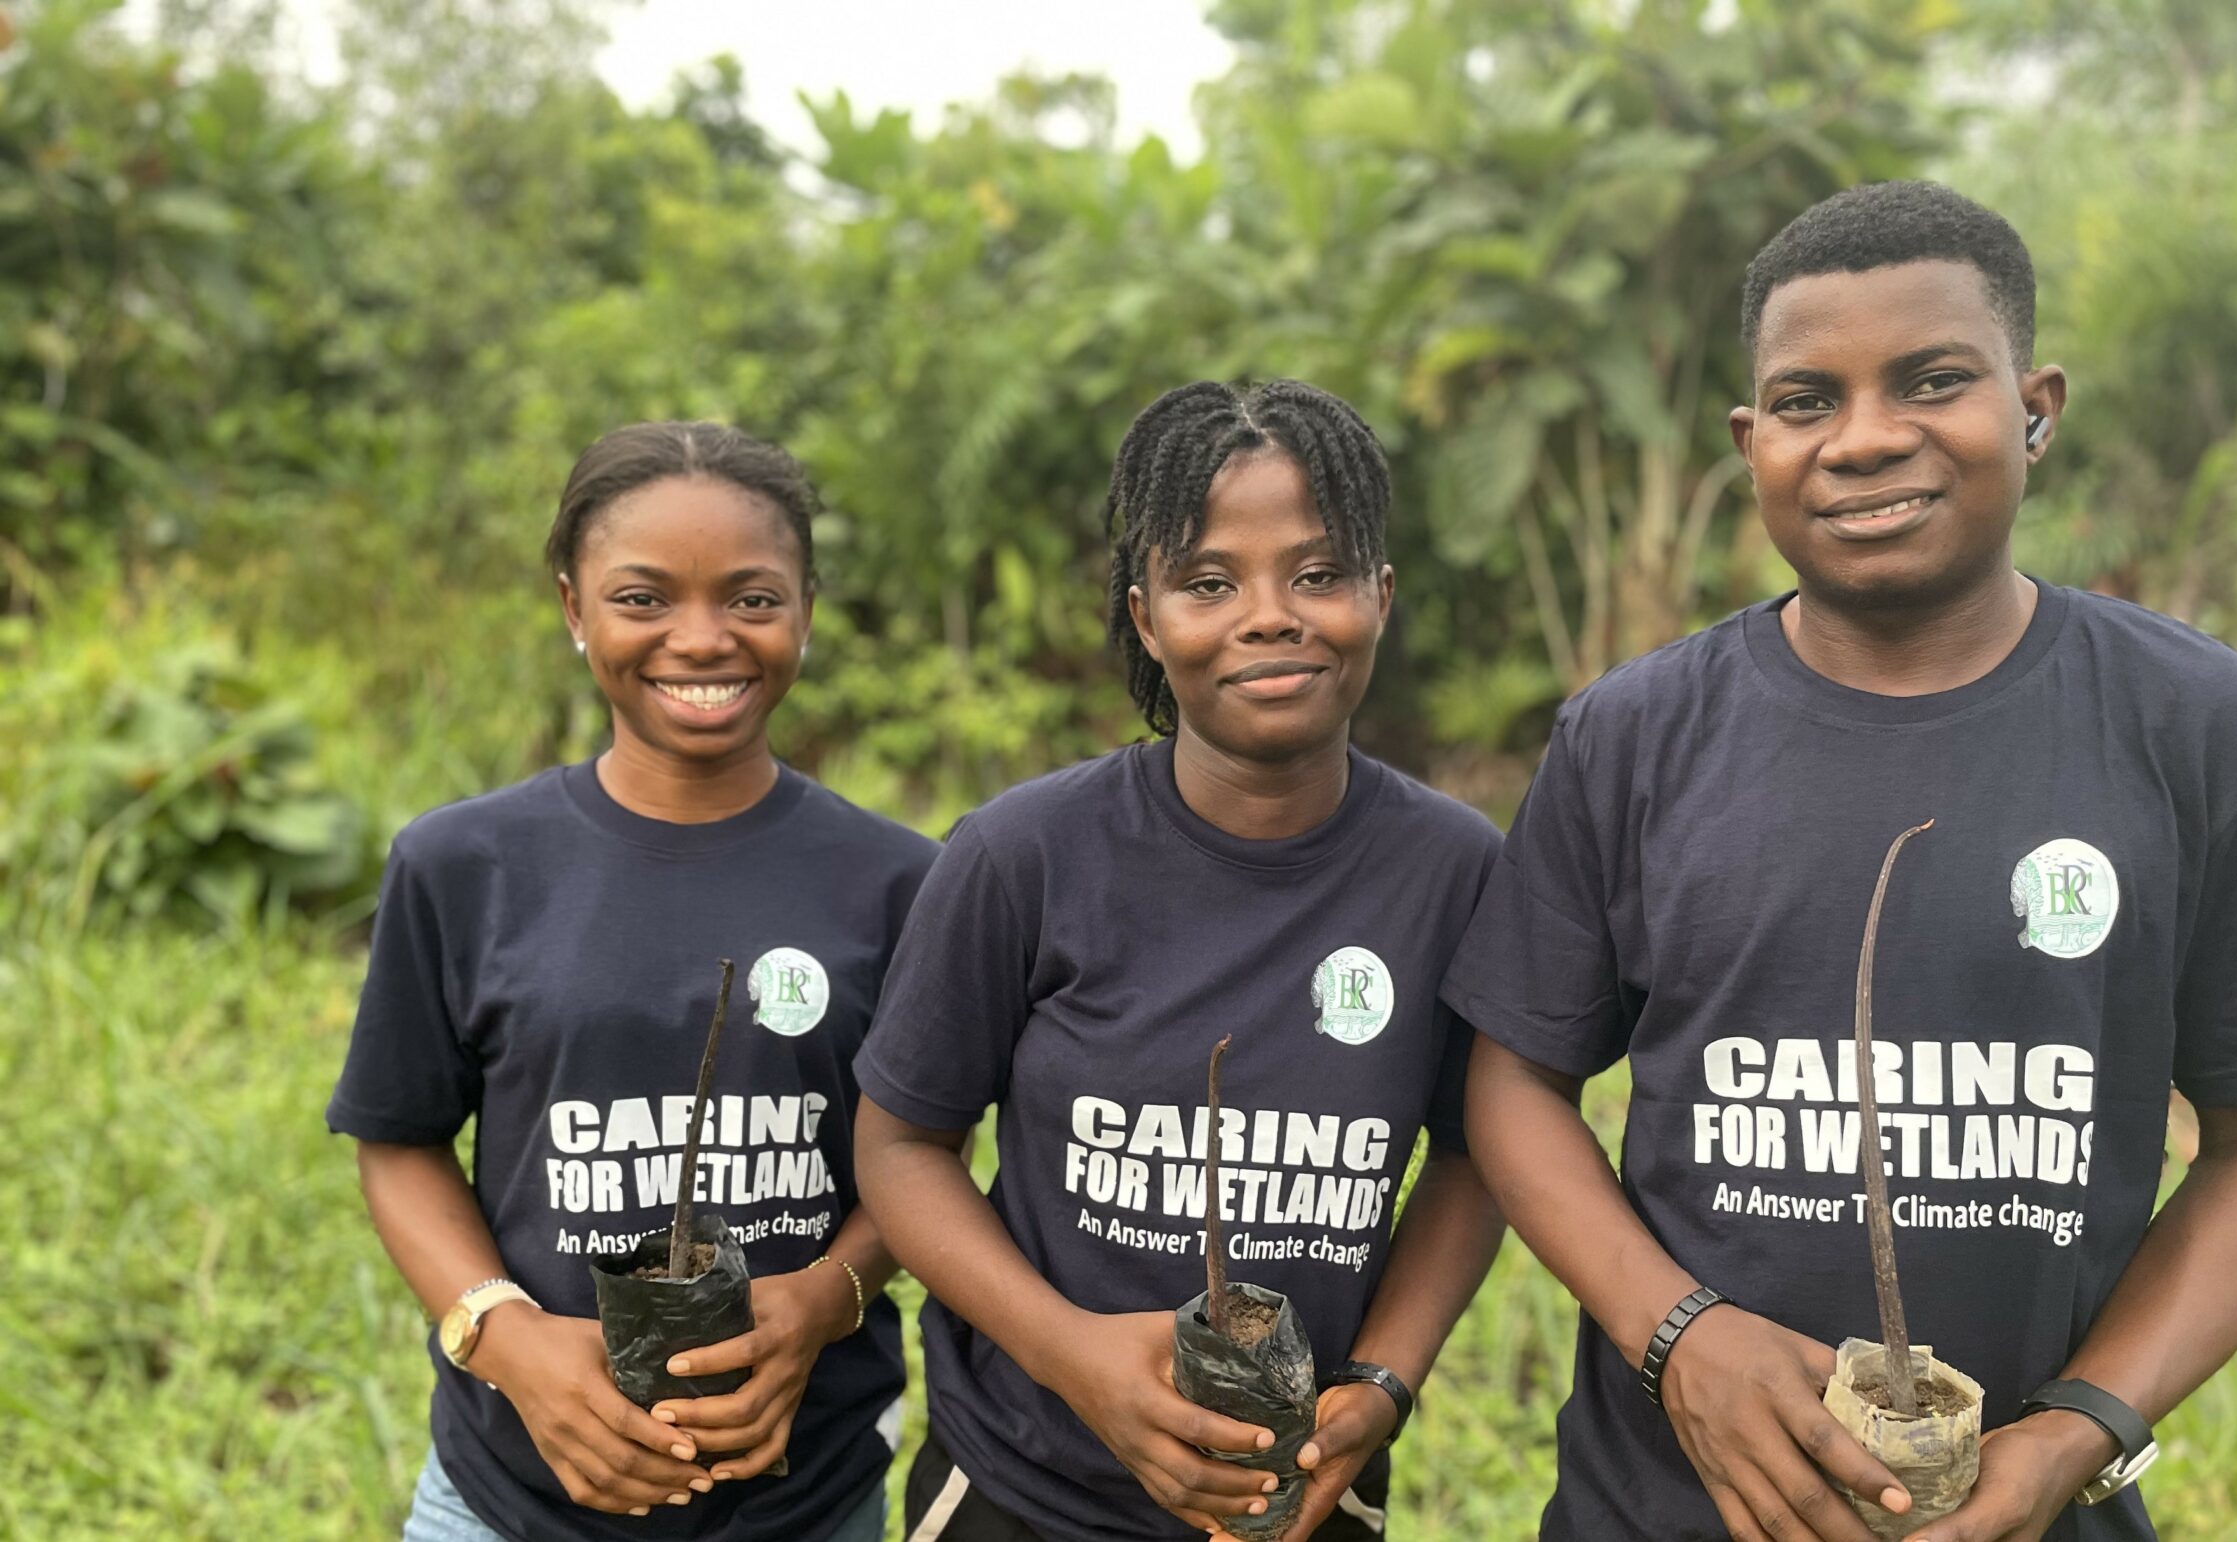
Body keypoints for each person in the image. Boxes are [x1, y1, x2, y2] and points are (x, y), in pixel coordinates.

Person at [1445, 180, 2237, 1542]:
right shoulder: (1633, 734)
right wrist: (1683, 1335)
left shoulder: (2214, 733)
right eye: (1805, 400)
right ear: (1750, 440)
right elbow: (1515, 1077)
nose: (1864, 439)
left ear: (2038, 406)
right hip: (1661, 1508)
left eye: (1932, 380)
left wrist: (2080, 1427)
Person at [853, 379, 1508, 1542]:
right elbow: (901, 1146)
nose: (1270, 615)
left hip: (1301, 1495)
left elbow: (1473, 1157)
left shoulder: (1457, 873)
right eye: (1211, 583)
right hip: (1023, 1484)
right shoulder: (1023, 855)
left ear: (1381, 596)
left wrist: (1388, 1383)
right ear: (1147, 617)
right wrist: (1077, 1361)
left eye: (1317, 574)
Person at [328, 421, 939, 1542]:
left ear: (806, 606)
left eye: (752, 599)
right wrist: (505, 1340)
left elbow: (922, 1156)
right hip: (510, 1493)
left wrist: (823, 1300)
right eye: (643, 598)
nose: (701, 640)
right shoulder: (464, 864)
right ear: (573, 608)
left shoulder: (904, 881)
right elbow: (399, 1139)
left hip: (807, 1495)